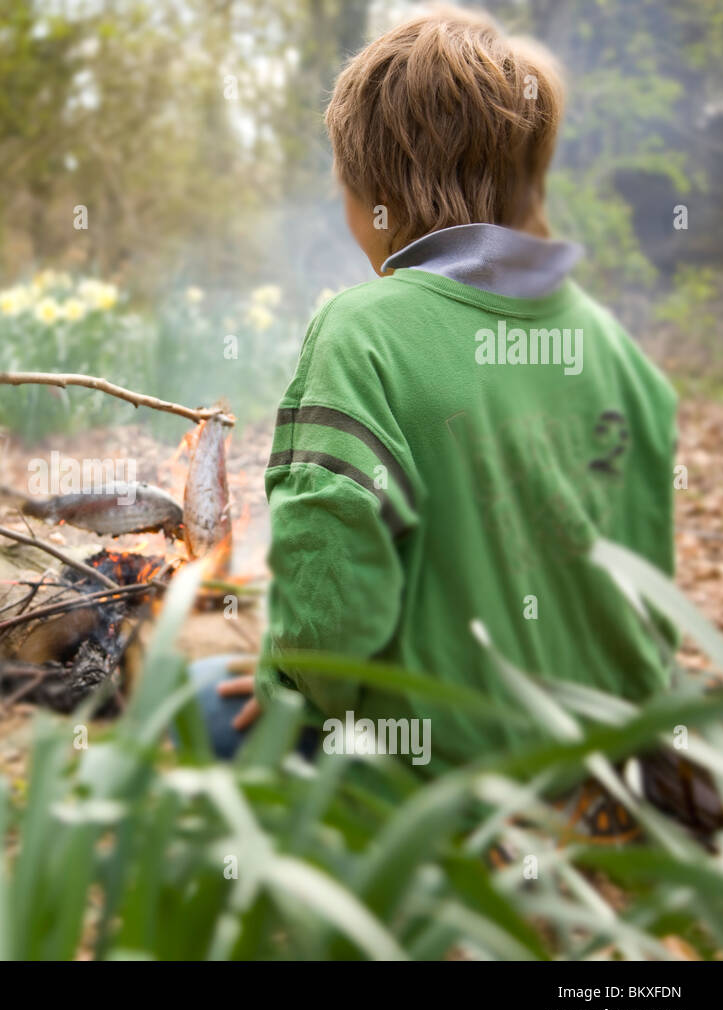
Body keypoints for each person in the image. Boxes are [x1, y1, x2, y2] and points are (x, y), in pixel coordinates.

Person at [197, 6, 680, 797]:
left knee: (201, 703)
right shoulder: (615, 348)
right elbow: (647, 614)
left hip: (441, 789)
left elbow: (329, 628)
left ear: (368, 192)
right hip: (604, 766)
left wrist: (286, 683)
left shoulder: (362, 334)